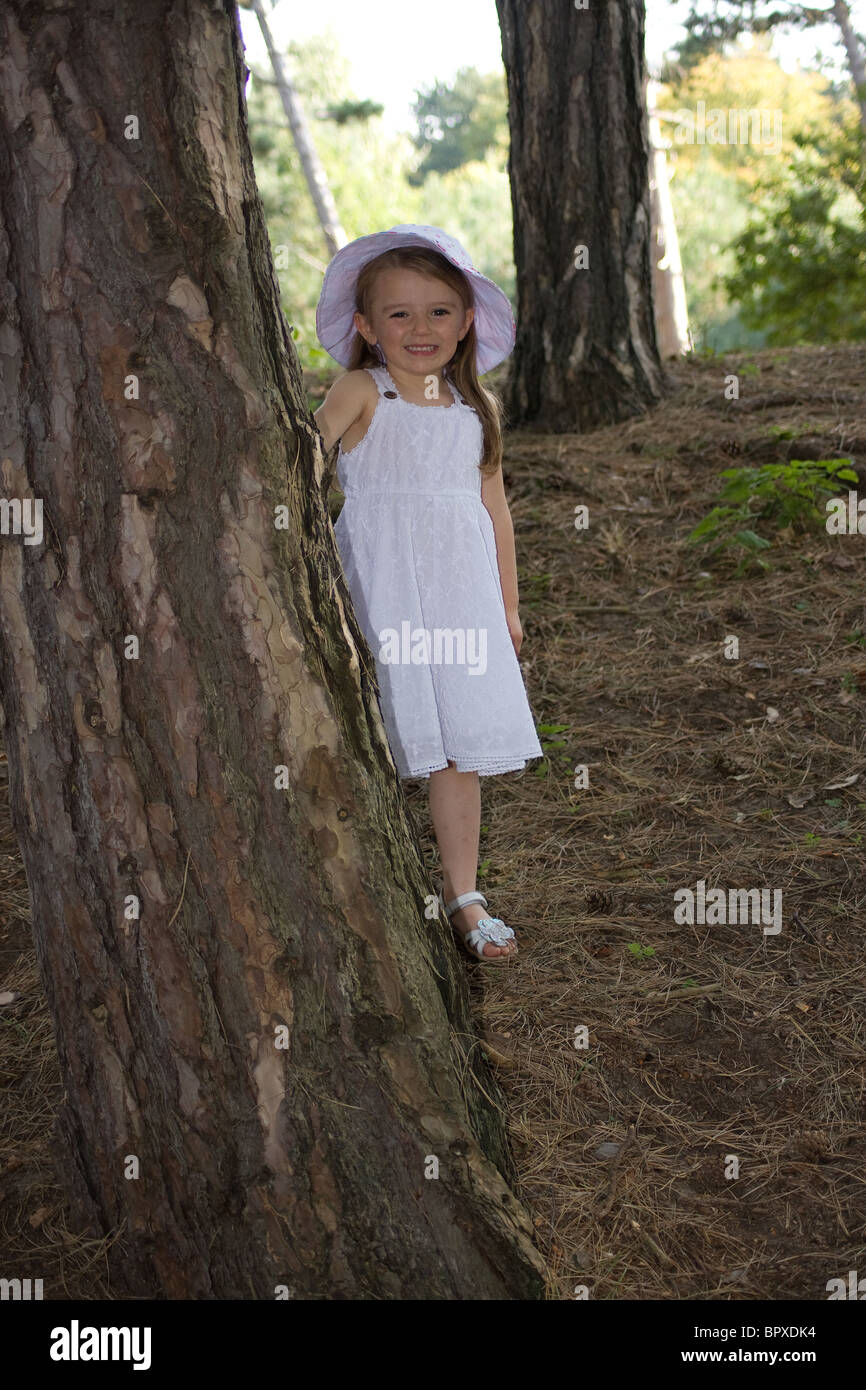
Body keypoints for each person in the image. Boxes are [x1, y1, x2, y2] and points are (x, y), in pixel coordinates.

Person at [314, 225, 543, 962]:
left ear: (468, 320)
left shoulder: (477, 410)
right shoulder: (361, 392)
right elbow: (299, 468)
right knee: (372, 734)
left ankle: (464, 894)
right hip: (381, 596)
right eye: (400, 314)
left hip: (459, 600)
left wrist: (507, 608)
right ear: (365, 326)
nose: (421, 329)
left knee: (455, 752)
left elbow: (494, 511)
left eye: (439, 311)